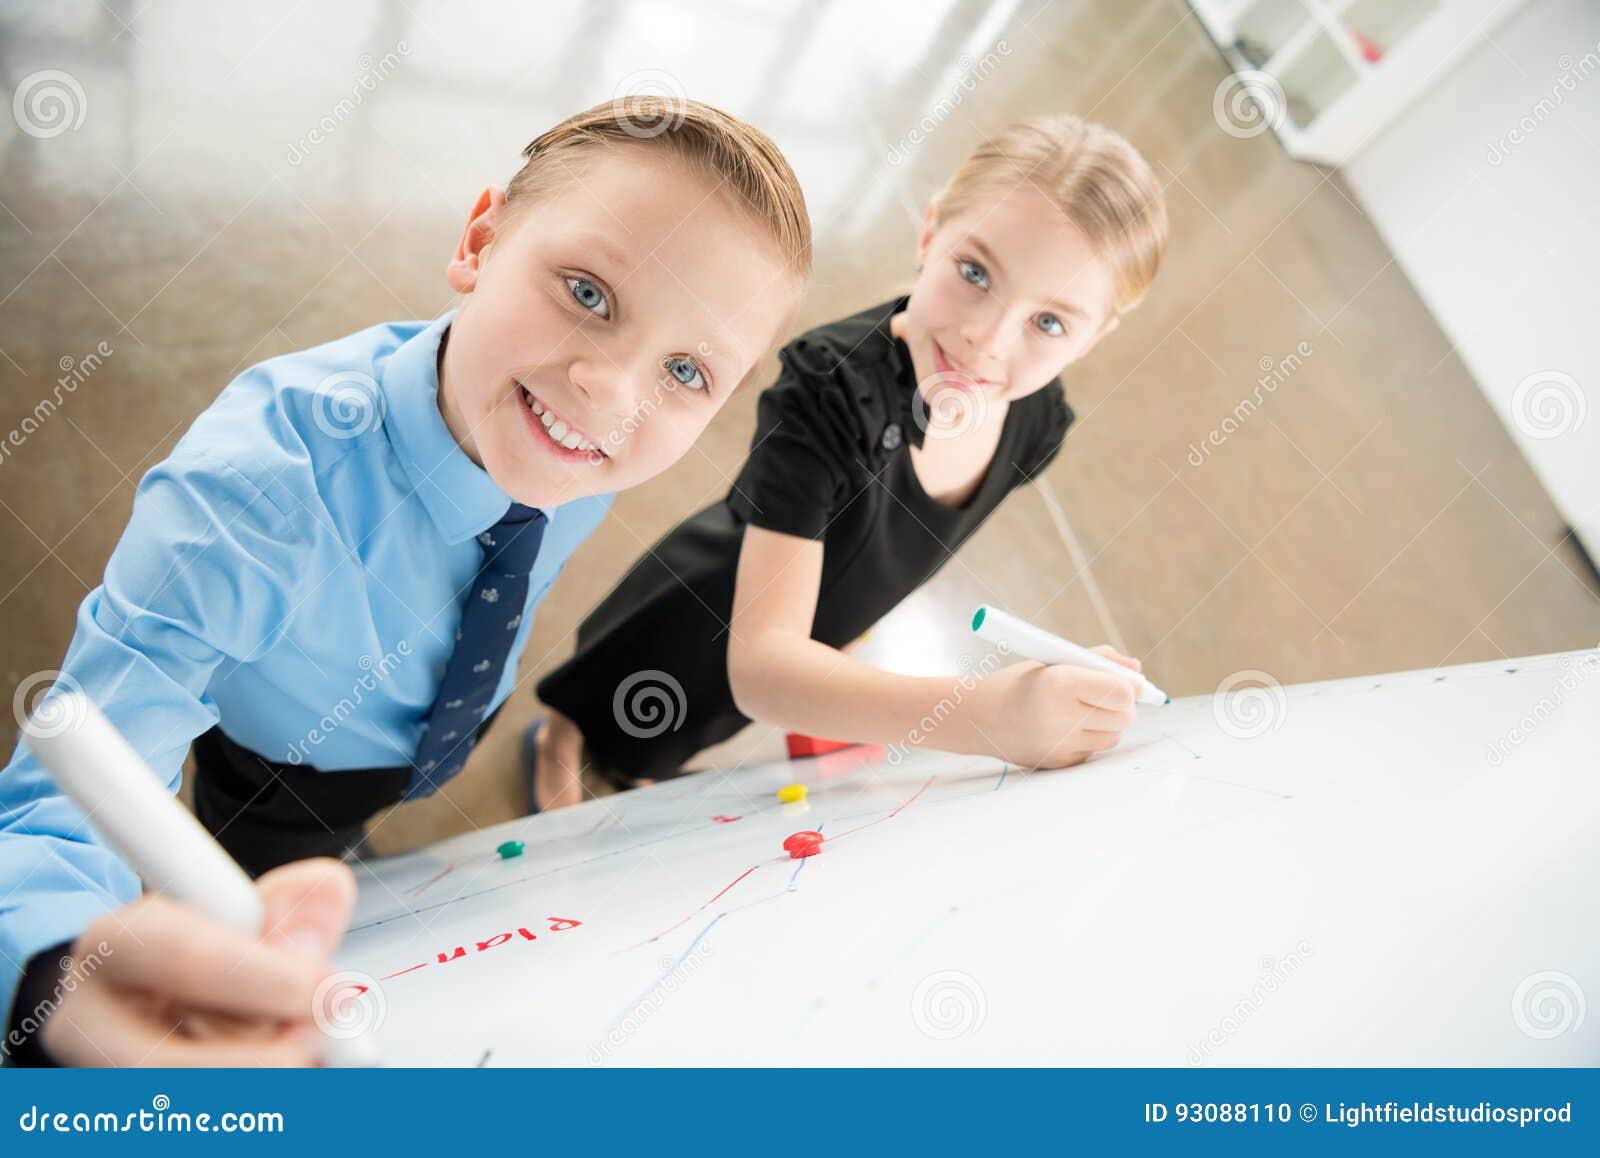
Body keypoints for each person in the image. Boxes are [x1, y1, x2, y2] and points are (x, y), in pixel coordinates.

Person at [0, 96, 812, 1066]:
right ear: (479, 242)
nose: (611, 390)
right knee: (270, 895)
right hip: (279, 775)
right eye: (588, 294)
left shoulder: (570, 446)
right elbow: (71, 794)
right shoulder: (255, 496)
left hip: (407, 746)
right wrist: (50, 981)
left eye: (685, 371)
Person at [530, 114, 1166, 812]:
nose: (985, 338)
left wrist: (853, 621)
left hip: (821, 621)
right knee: (633, 679)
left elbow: (907, 543)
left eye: (1049, 322)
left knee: (686, 724)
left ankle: (636, 756)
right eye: (975, 272)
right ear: (929, 234)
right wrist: (989, 717)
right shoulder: (830, 387)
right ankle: (562, 733)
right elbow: (762, 671)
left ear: (1094, 337)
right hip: (715, 596)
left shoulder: (1038, 423)